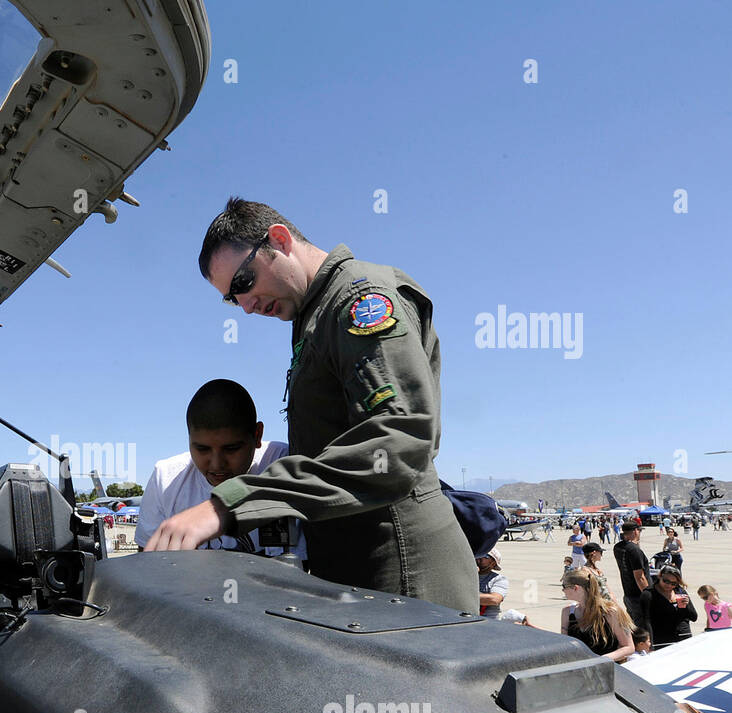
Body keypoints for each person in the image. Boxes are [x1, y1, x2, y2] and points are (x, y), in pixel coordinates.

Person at [147, 197, 477, 614]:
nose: (246, 306)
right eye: (233, 299)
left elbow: (398, 443)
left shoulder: (359, 300)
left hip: (400, 569)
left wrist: (229, 503)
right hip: (355, 567)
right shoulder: (315, 317)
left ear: (280, 240)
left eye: (244, 282)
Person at [136, 379, 297, 555]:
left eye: (231, 449)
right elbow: (149, 566)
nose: (217, 464)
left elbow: (298, 568)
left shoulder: (283, 462)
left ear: (257, 435)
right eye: (202, 449)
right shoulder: (165, 479)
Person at [561, 569, 634, 663]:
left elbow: (628, 647)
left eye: (564, 586)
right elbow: (564, 645)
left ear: (576, 588)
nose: (563, 590)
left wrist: (599, 660)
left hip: (606, 670)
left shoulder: (610, 612)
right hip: (579, 671)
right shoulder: (567, 612)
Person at [639, 565, 697, 648]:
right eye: (666, 581)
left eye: (673, 583)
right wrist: (650, 644)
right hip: (662, 640)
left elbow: (694, 617)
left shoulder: (679, 591)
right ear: (660, 576)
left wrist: (686, 605)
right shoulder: (648, 594)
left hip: (684, 637)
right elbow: (646, 621)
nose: (669, 585)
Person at [613, 521, 650, 625]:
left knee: (633, 625)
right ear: (635, 531)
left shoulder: (618, 547)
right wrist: (648, 595)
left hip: (628, 593)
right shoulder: (634, 550)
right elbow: (640, 577)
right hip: (639, 596)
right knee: (644, 628)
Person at [476, 549, 508, 619]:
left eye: (485, 556)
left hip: (487, 620)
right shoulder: (466, 574)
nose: (480, 558)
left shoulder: (499, 579)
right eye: (479, 554)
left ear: (493, 563)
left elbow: (494, 599)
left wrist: (464, 597)